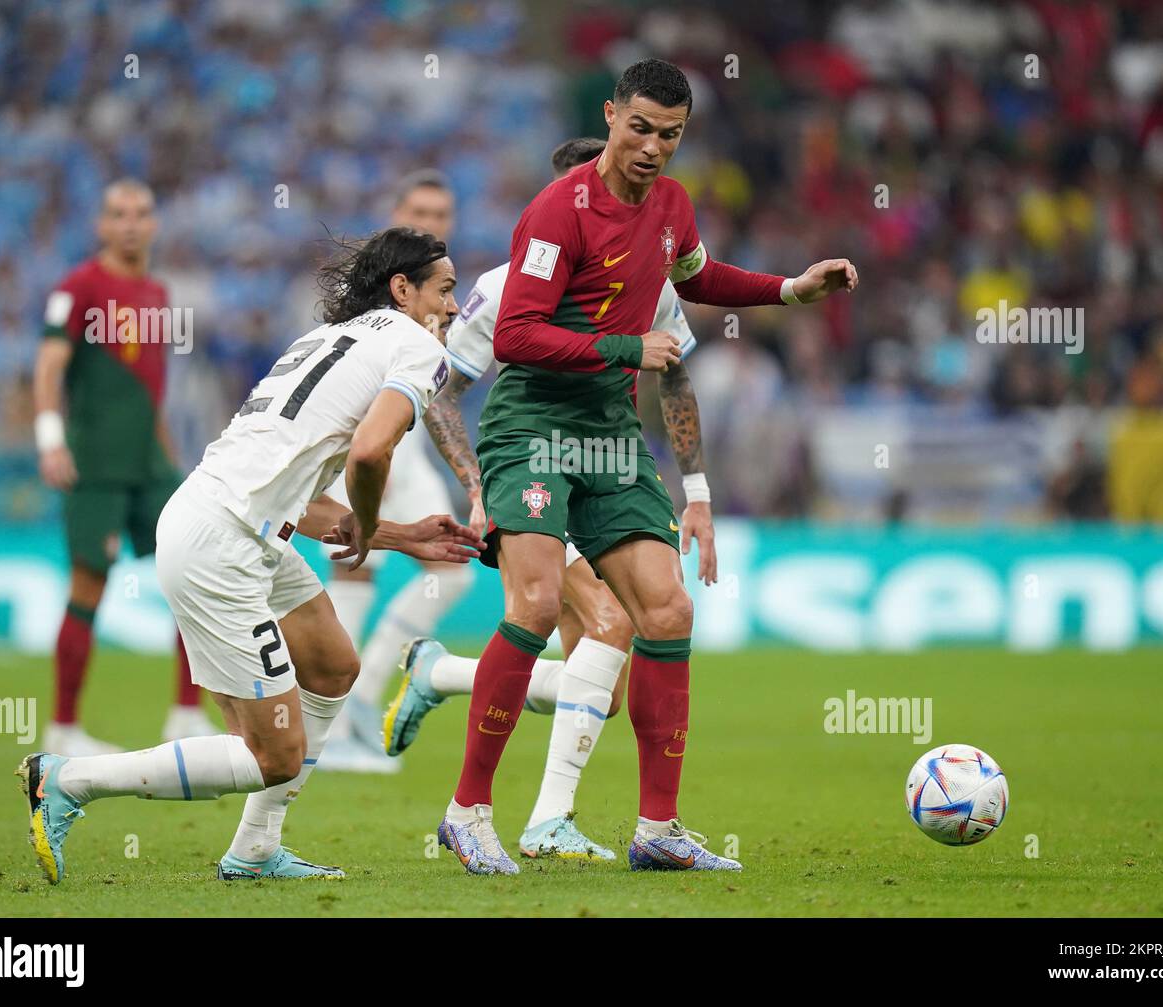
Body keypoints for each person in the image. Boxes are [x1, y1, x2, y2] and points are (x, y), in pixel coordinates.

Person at [435, 59, 858, 875]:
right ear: (611, 116)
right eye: (640, 128)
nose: (653, 147)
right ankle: (467, 811)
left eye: (670, 135)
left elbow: (701, 278)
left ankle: (657, 827)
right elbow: (517, 335)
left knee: (665, 612)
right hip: (534, 426)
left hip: (609, 430)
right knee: (531, 602)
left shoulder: (672, 205)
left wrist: (791, 290)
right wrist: (628, 347)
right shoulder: (558, 212)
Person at [18, 226, 482, 885]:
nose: (455, 307)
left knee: (331, 663)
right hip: (224, 546)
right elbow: (370, 452)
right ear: (403, 290)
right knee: (274, 755)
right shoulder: (416, 347)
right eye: (445, 289)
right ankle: (69, 779)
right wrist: (375, 517)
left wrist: (397, 535)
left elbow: (294, 494)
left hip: (223, 520)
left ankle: (257, 848)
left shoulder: (323, 340)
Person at [384, 137, 716, 862]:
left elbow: (677, 378)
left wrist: (697, 491)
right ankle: (513, 813)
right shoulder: (509, 284)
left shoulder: (648, 271)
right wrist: (476, 484)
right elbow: (446, 392)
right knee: (593, 621)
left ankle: (441, 677)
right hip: (530, 457)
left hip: (604, 458)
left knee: (606, 656)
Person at [33, 178, 212, 755]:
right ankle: (62, 729)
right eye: (118, 213)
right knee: (90, 582)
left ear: (154, 223)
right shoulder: (78, 286)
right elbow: (48, 365)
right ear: (101, 225)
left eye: (141, 212)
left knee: (193, 568)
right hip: (97, 465)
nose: (131, 223)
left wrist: (170, 457)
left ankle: (186, 715)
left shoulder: (157, 292)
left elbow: (149, 387)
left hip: (149, 462)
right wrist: (50, 439)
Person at [317, 171, 474, 774]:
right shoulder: (384, 294)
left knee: (450, 565)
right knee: (356, 568)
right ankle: (334, 714)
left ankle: (362, 694)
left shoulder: (445, 291)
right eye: (420, 210)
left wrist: (466, 472)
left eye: (442, 211)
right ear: (397, 213)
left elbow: (439, 390)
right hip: (368, 438)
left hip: (410, 449)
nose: (433, 221)